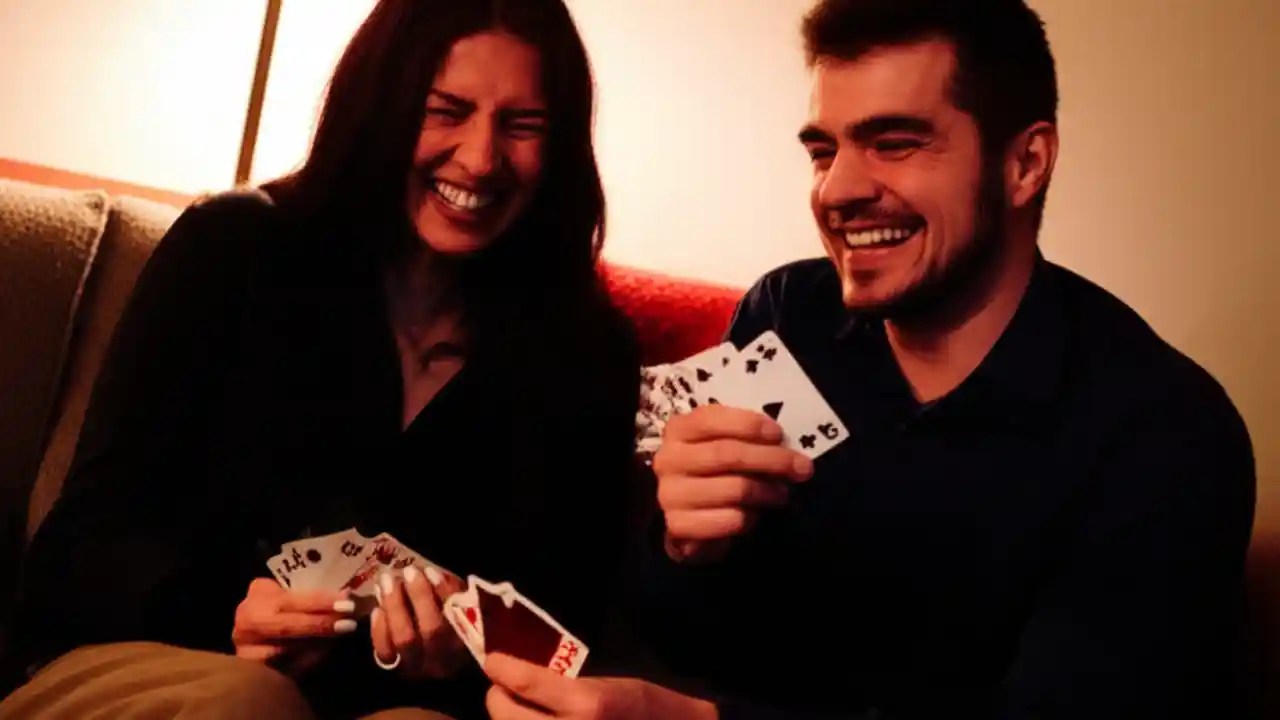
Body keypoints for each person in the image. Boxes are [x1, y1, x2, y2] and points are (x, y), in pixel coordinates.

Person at [480, 0, 1257, 718]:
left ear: (1025, 164)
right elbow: (690, 640)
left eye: (894, 143)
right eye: (825, 149)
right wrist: (685, 547)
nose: (838, 190)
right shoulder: (786, 315)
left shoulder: (1164, 436)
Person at [0, 0, 640, 718]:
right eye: (445, 110)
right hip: (168, 671)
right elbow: (75, 555)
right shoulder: (233, 251)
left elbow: (572, 643)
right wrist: (225, 613)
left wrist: (459, 656)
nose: (481, 158)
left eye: (523, 126)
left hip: (384, 707)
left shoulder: (586, 356)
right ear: (381, 105)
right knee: (252, 700)